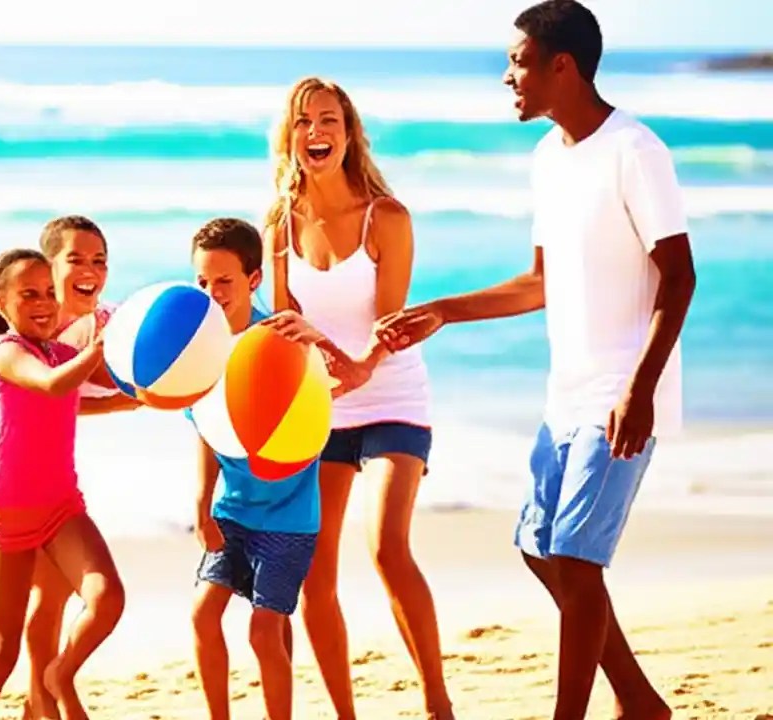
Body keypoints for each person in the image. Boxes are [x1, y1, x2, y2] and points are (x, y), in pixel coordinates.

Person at [376, 3, 693, 719]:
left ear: (562, 66)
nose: (507, 76)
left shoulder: (635, 150)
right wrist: (443, 310)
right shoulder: (548, 158)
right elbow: (540, 282)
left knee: (578, 563)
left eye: (519, 61)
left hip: (621, 391)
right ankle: (640, 701)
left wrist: (640, 391)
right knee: (540, 548)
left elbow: (679, 276)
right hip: (568, 394)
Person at [260, 76, 455, 719]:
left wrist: (358, 362)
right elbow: (284, 326)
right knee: (316, 572)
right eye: (304, 123)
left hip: (393, 395)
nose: (317, 133)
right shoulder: (279, 224)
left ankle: (436, 701)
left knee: (387, 547)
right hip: (323, 407)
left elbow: (392, 325)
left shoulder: (386, 217)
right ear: (290, 138)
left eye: (329, 121)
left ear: (349, 133)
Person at [0, 248, 126, 720]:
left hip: (61, 508)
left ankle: (59, 673)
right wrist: (99, 347)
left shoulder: (63, 352)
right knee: (0, 652)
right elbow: (54, 386)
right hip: (8, 521)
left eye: (50, 292)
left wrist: (150, 390)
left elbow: (107, 388)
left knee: (107, 598)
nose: (44, 302)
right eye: (28, 293)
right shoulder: (9, 351)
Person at [185, 217, 324, 720]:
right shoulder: (201, 349)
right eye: (202, 281)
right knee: (203, 615)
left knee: (264, 629)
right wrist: (202, 509)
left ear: (253, 279)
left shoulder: (280, 340)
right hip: (233, 513)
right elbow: (205, 431)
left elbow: (321, 409)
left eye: (223, 280)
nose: (212, 292)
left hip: (289, 518)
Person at [18, 216, 141, 719]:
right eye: (76, 260)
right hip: (23, 477)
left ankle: (37, 705)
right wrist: (112, 405)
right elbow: (32, 399)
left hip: (67, 474)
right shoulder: (30, 329)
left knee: (55, 596)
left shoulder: (109, 321)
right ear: (48, 266)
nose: (90, 271)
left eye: (100, 261)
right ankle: (45, 698)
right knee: (47, 600)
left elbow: (138, 376)